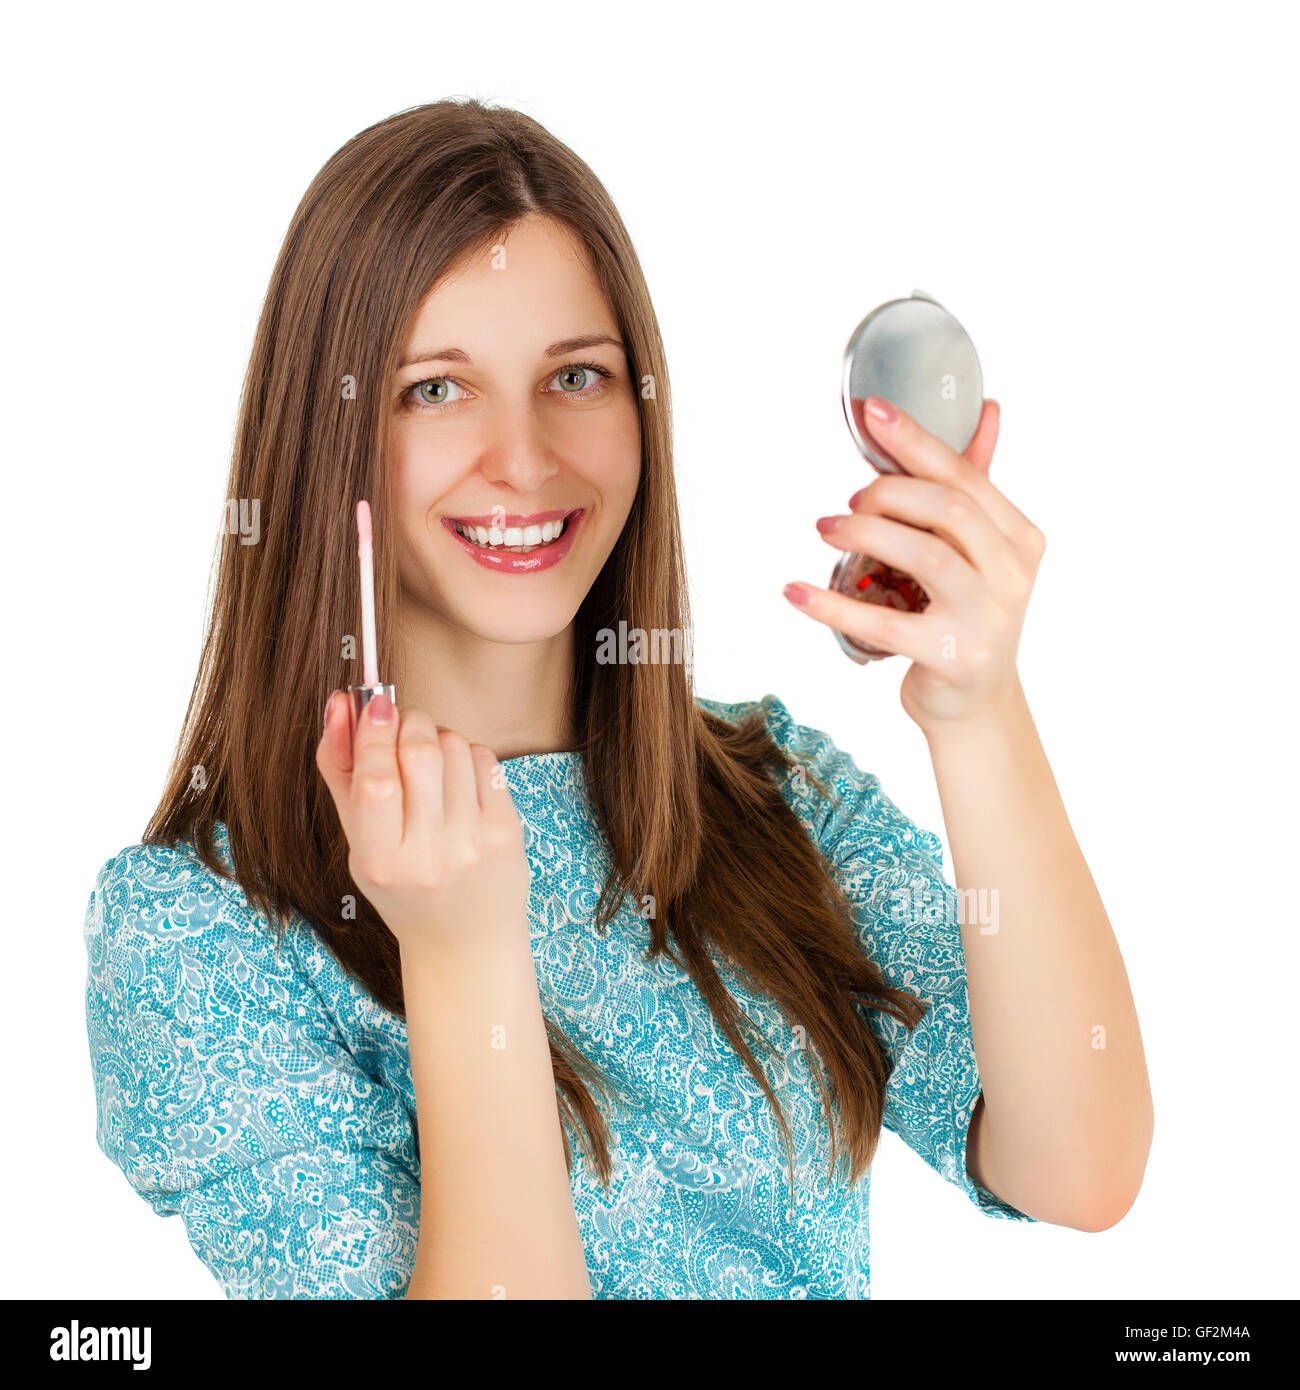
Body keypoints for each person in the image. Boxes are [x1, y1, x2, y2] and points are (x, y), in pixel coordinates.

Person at [83, 97, 1152, 1300]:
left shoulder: (774, 793)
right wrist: (461, 955)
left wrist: (977, 709)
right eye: (436, 390)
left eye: (575, 376)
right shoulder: (197, 934)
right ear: (328, 442)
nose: (526, 457)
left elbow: (1076, 1167)